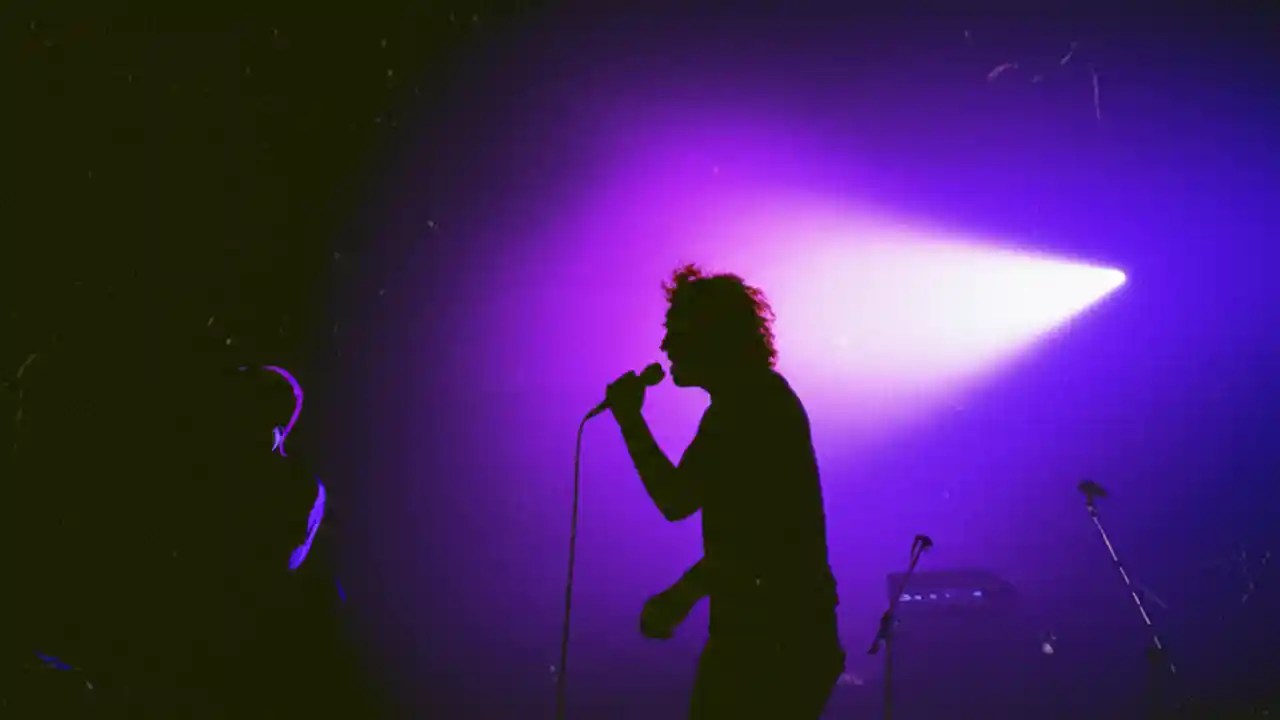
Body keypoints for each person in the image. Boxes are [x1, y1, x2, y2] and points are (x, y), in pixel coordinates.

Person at [605, 263, 845, 719]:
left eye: (676, 331)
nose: (665, 345)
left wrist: (631, 420)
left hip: (773, 639)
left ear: (711, 335)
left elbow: (687, 506)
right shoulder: (746, 402)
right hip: (780, 632)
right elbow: (689, 503)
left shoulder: (751, 406)